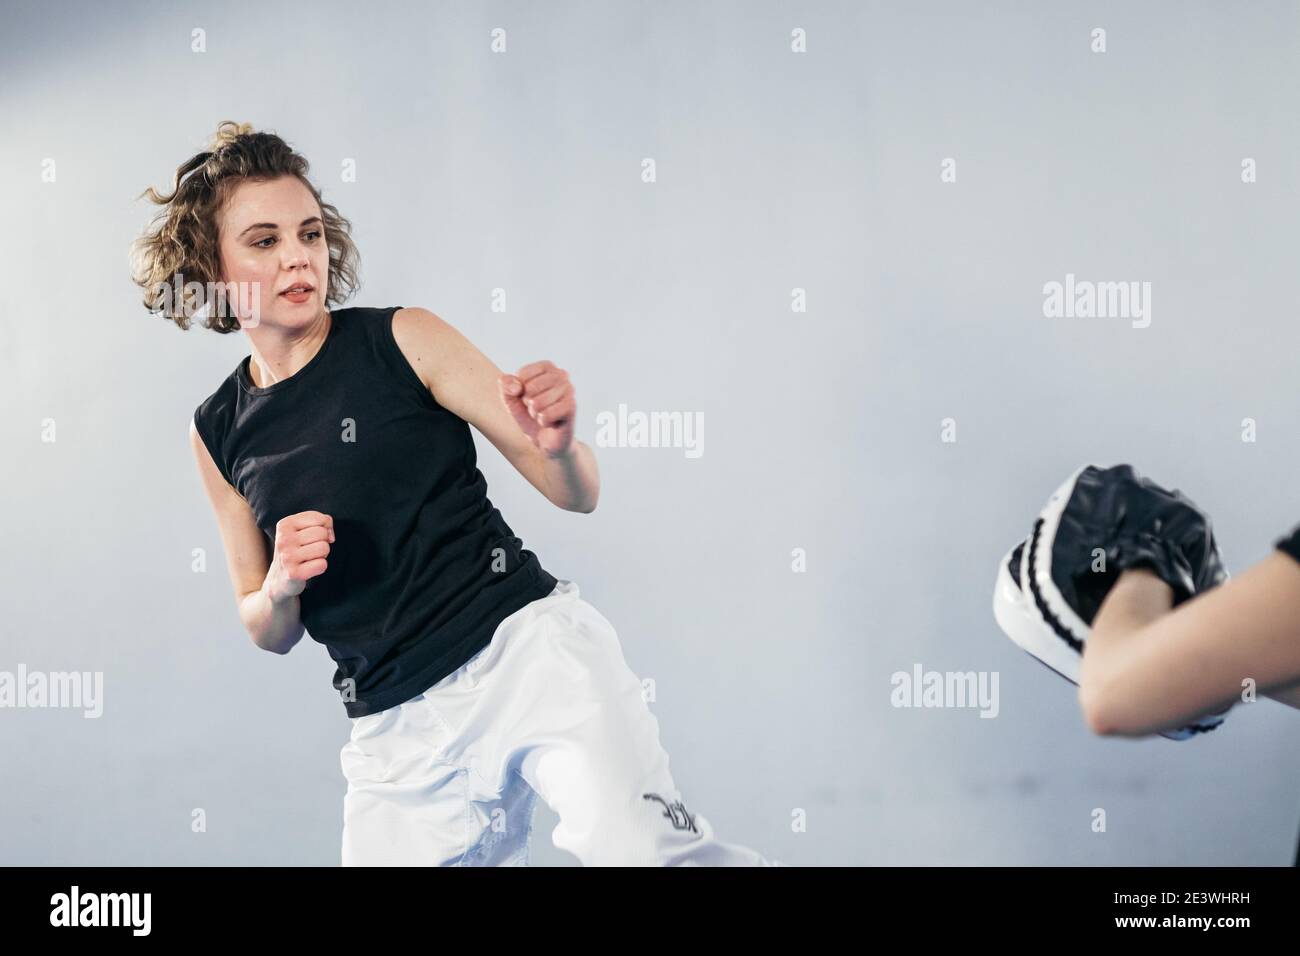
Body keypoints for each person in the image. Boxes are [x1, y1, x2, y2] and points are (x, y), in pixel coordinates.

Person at [131, 121, 779, 867]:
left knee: (646, 852)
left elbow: (577, 493)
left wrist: (559, 443)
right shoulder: (215, 431)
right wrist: (279, 587)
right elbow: (265, 625)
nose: (296, 257)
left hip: (526, 657)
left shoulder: (403, 338)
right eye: (264, 241)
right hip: (395, 728)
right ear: (211, 267)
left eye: (309, 233)